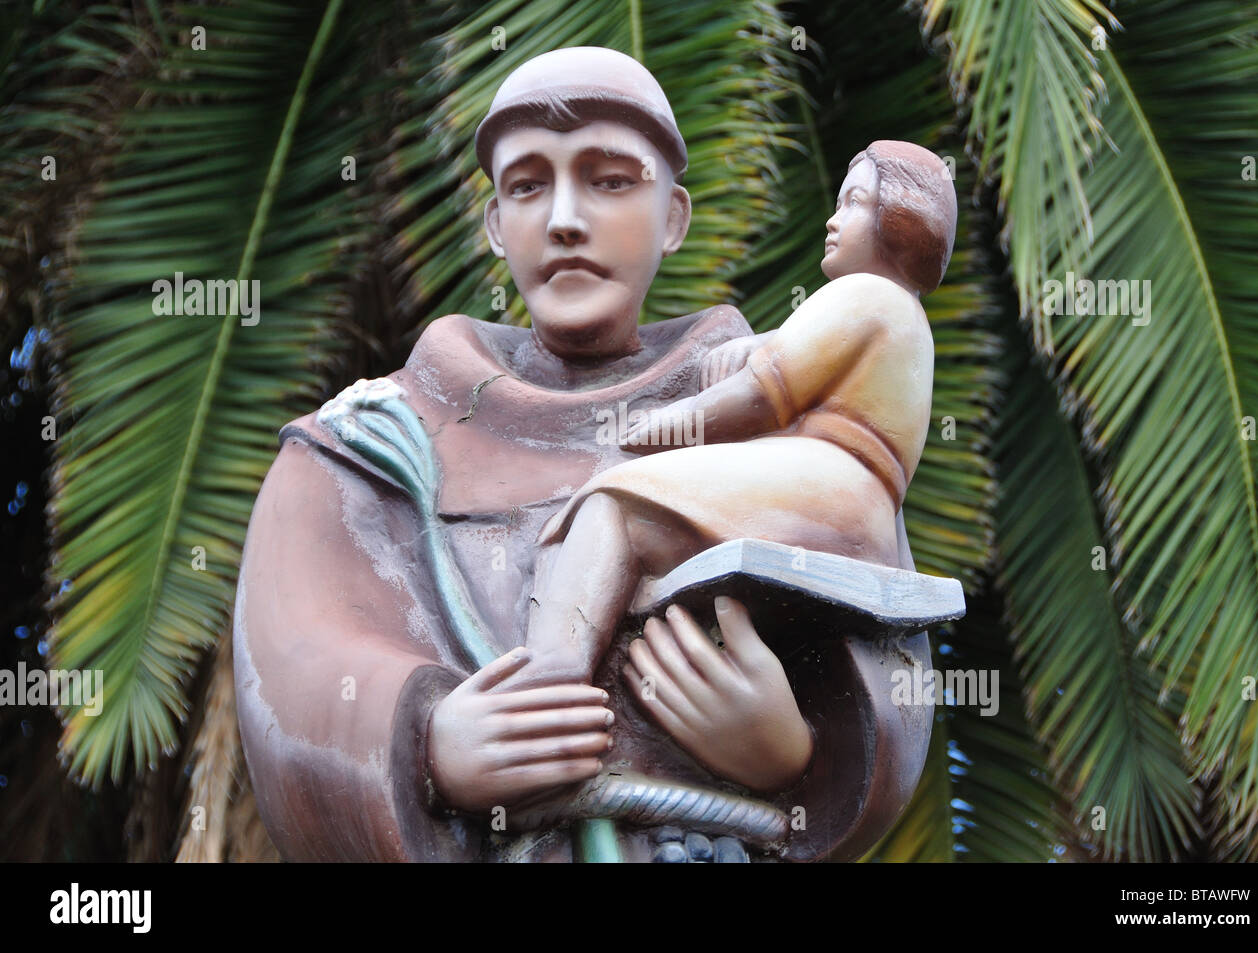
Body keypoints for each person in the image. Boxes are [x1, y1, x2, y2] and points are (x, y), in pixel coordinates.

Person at [233, 47, 931, 862]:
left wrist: (796, 751)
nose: (566, 217)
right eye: (528, 185)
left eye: (610, 180)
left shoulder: (782, 434)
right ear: (496, 224)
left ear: (673, 216)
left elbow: (885, 623)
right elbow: (293, 649)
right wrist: (426, 736)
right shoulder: (368, 441)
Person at [518, 143, 957, 720]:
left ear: (898, 221)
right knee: (642, 525)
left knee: (612, 503)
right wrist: (757, 349)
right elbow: (797, 363)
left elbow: (760, 397)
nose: (832, 219)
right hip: (851, 508)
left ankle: (548, 687)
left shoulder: (865, 294)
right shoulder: (904, 317)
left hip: (826, 486)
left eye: (854, 202)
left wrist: (665, 423)